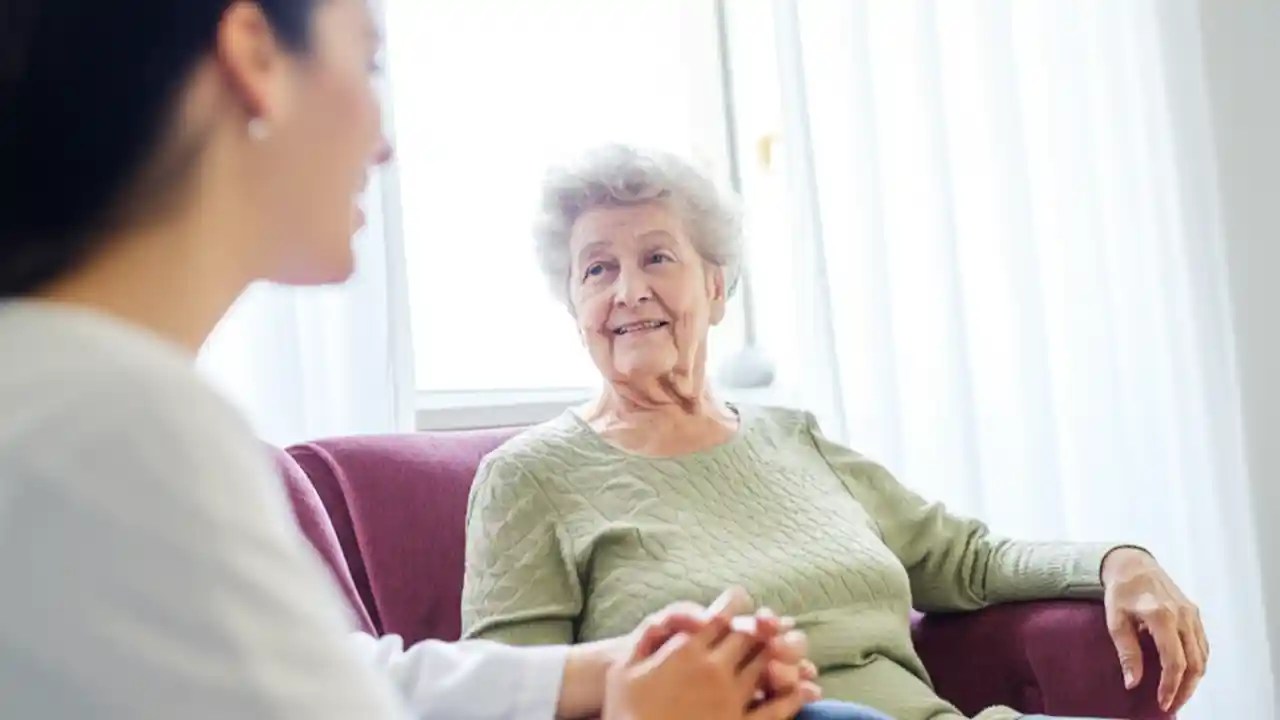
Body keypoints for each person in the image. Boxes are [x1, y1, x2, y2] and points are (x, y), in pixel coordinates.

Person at [0, 2, 830, 719]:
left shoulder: (71, 395)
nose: (384, 141)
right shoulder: (116, 425)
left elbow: (346, 682)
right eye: (368, 61)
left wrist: (603, 667)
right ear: (255, 57)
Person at [460, 145, 1211, 720]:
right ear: (573, 304)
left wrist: (1117, 559)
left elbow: (968, 560)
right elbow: (506, 699)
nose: (629, 291)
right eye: (596, 269)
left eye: (657, 256)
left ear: (716, 287)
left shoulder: (796, 441)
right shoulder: (529, 477)